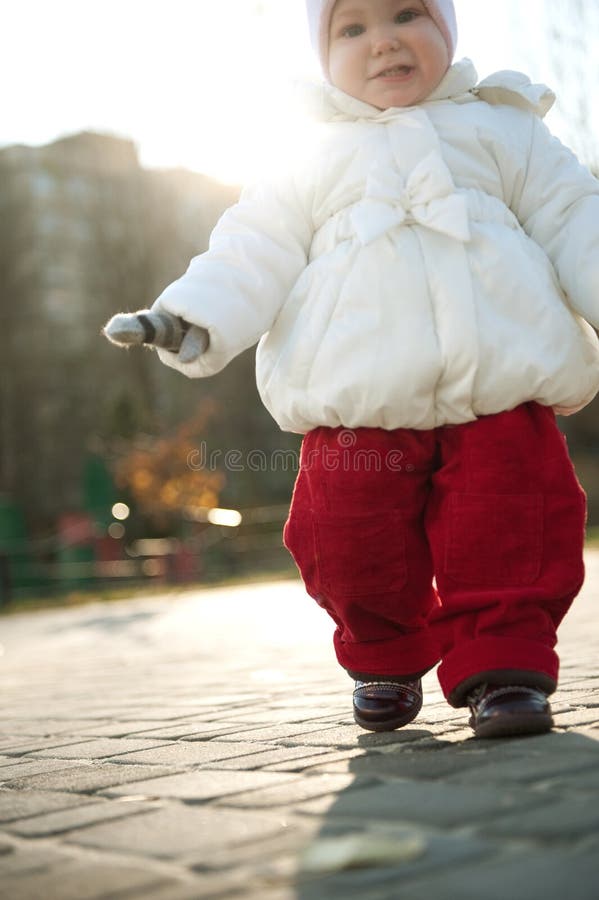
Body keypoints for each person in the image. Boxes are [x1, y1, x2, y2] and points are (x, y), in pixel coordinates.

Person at [147, 0, 599, 738]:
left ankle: (502, 662)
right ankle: (383, 655)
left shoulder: (504, 128)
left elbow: (576, 216)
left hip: (499, 384)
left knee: (511, 522)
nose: (382, 40)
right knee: (346, 537)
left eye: (405, 15)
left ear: (446, 32)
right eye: (350, 28)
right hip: (355, 399)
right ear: (322, 56)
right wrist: (193, 314)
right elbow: (249, 246)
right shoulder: (305, 154)